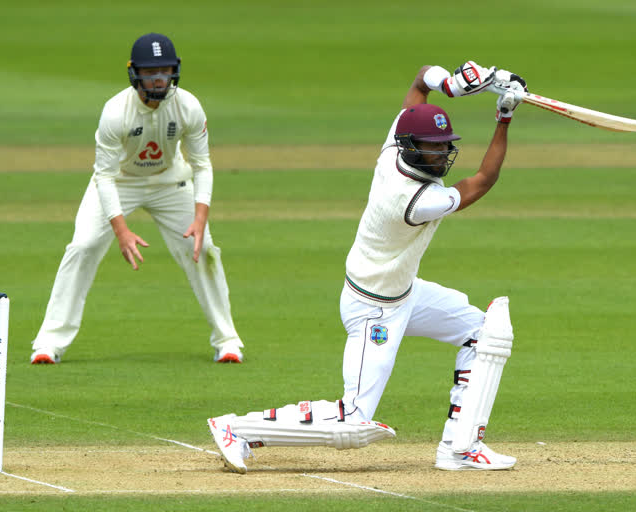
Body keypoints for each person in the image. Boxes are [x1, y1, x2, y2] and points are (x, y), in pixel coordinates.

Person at [207, 61, 528, 472]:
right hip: (375, 308)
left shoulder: (394, 145)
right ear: (412, 146)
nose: (444, 153)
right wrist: (503, 117)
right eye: (434, 147)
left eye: (446, 145)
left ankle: (459, 448)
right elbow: (482, 179)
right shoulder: (415, 200)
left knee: (483, 334)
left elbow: (419, 79)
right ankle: (238, 428)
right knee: (353, 419)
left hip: (403, 290)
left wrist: (451, 84)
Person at [30, 33, 244, 365]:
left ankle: (227, 340)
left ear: (175, 70)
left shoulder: (188, 105)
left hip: (170, 181)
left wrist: (200, 219)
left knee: (201, 249)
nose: (158, 78)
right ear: (135, 74)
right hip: (119, 182)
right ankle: (49, 344)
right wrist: (121, 230)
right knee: (83, 246)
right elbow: (102, 175)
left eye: (165, 70)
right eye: (150, 72)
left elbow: (202, 164)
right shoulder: (115, 111)